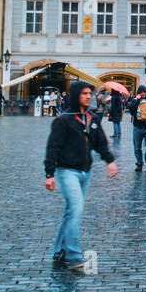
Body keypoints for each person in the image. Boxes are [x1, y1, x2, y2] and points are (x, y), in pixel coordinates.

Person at [43, 80, 118, 272]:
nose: (88, 97)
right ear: (76, 96)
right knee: (76, 209)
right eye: (84, 93)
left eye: (89, 94)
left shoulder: (91, 118)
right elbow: (53, 148)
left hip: (86, 171)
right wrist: (49, 173)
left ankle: (59, 253)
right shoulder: (63, 120)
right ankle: (74, 256)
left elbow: (100, 143)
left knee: (70, 211)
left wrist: (109, 161)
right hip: (67, 171)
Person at [128, 86, 146, 171]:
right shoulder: (135, 100)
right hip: (137, 127)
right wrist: (137, 100)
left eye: (144, 92)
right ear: (138, 93)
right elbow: (131, 110)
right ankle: (139, 163)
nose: (143, 93)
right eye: (141, 92)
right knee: (137, 147)